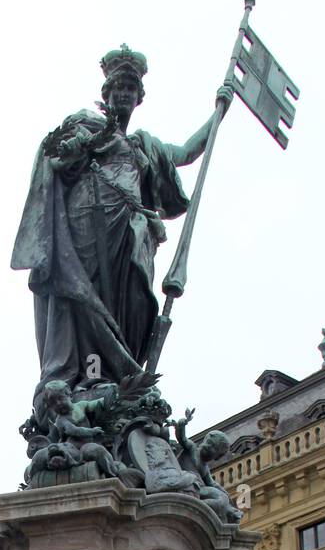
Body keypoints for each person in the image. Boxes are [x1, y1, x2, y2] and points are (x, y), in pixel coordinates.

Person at [12, 44, 233, 403]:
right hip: (85, 223)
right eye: (118, 89)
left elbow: (188, 153)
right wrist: (74, 148)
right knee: (88, 307)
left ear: (138, 98)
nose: (124, 95)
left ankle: (112, 375)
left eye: (131, 90)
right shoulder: (86, 125)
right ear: (107, 93)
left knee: (122, 308)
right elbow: (56, 159)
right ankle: (90, 377)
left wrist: (218, 113)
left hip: (128, 234)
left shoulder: (144, 144)